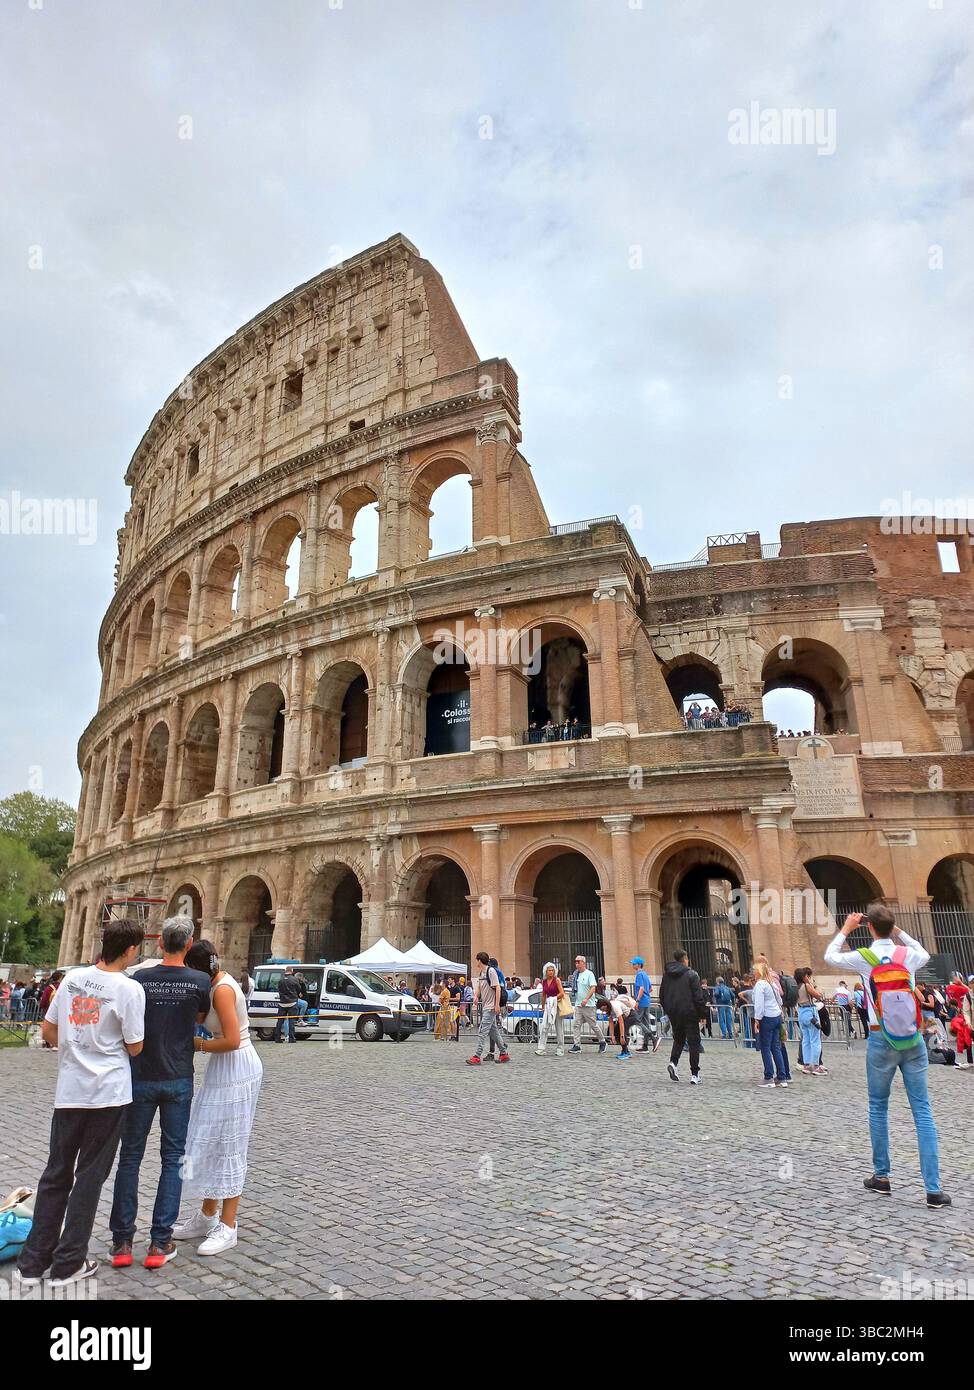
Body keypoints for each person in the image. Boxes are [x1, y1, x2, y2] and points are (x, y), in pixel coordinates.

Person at [15, 920, 146, 1289]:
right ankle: (68, 1262)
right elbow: (135, 1046)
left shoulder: (72, 980)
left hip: (70, 1090)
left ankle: (32, 1262)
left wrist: (75, 1051)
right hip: (107, 1093)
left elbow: (49, 1030)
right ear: (131, 950)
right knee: (89, 1177)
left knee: (56, 1173)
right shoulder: (129, 989)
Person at [825, 905, 950, 1209]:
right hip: (911, 1038)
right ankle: (933, 1189)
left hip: (880, 1036)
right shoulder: (908, 956)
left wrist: (845, 929)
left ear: (869, 928)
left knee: (878, 1106)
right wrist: (899, 932)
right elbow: (922, 950)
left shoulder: (864, 958)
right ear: (891, 927)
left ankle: (882, 1176)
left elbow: (829, 956)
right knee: (922, 1109)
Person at [108, 917, 212, 1269]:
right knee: (173, 1159)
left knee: (130, 1157)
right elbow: (198, 1019)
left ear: (161, 942)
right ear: (189, 943)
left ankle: (121, 1242)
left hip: (139, 1076)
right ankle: (159, 1242)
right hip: (178, 1076)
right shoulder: (200, 982)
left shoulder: (139, 979)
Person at [173, 939, 264, 1254]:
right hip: (222, 1067)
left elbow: (231, 1041)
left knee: (230, 1142)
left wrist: (196, 1046)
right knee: (211, 1138)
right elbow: (199, 1020)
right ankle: (207, 1214)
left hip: (237, 1065)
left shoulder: (223, 990)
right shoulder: (208, 988)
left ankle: (229, 1224)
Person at [659, 949, 707, 1084]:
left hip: (674, 1013)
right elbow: (698, 997)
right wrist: (702, 1014)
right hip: (690, 1013)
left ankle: (673, 1063)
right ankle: (694, 1074)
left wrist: (668, 1010)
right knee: (693, 1043)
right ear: (685, 959)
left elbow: (662, 996)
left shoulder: (666, 975)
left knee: (678, 1040)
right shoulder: (692, 975)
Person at [466, 951, 510, 1065]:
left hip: (490, 1007)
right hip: (486, 1005)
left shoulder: (491, 971)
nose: (476, 963)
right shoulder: (482, 973)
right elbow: (480, 987)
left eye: (477, 960)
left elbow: (498, 988)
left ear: (480, 960)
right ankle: (503, 1053)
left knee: (482, 1031)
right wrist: (476, 996)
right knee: (494, 1032)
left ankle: (477, 1056)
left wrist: (496, 1005)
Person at [751, 961, 788, 1088]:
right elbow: (780, 1000)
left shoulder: (760, 984)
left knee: (765, 1048)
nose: (753, 972)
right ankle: (782, 1077)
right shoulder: (772, 983)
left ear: (759, 972)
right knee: (776, 1047)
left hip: (767, 1018)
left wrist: (757, 1019)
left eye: (754, 970)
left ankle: (769, 1078)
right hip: (776, 1016)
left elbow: (759, 1004)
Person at [567, 954, 607, 1055]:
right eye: (575, 961)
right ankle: (577, 1045)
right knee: (576, 1024)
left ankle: (602, 1041)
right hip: (578, 1004)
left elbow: (593, 988)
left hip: (588, 1005)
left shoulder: (589, 974)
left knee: (593, 1025)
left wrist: (586, 999)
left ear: (583, 963)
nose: (576, 963)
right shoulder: (576, 974)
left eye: (578, 961)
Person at [795, 966, 827, 1076]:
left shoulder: (796, 987)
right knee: (815, 1040)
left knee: (806, 1040)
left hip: (801, 1013)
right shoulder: (806, 985)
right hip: (810, 1012)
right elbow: (818, 996)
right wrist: (810, 983)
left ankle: (806, 1065)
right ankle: (817, 1066)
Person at [535, 963, 568, 1058]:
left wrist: (553, 998)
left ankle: (560, 1048)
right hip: (548, 1005)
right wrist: (542, 1006)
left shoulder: (557, 980)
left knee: (559, 1027)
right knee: (544, 1026)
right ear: (546, 971)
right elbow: (543, 994)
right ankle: (541, 1048)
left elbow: (562, 993)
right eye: (549, 970)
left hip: (556, 1004)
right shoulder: (544, 981)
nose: (551, 972)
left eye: (552, 970)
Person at [629, 956, 661, 1053]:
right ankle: (645, 1046)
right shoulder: (645, 974)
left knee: (637, 1020)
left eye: (634, 964)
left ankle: (653, 1038)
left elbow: (642, 988)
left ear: (638, 965)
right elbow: (650, 989)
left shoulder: (639, 974)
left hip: (642, 1001)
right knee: (646, 1023)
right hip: (647, 1000)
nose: (632, 965)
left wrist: (637, 1000)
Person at [275, 965, 301, 1044]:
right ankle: (291, 1038)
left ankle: (277, 1038)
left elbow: (279, 989)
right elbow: (298, 989)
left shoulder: (281, 980)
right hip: (292, 1003)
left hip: (282, 1003)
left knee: (280, 1021)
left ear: (286, 971)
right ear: (292, 971)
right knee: (291, 1021)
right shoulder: (294, 979)